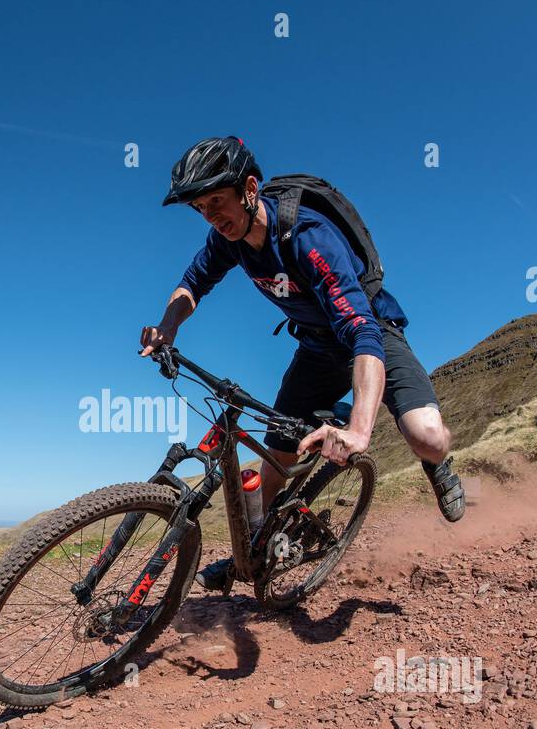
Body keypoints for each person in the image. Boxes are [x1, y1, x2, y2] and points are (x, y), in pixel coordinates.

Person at [140, 135, 465, 591]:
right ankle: (251, 554)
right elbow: (191, 284)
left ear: (249, 189)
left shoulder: (309, 238)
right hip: (316, 348)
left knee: (427, 437)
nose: (212, 216)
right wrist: (167, 326)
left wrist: (359, 432)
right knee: (276, 461)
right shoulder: (227, 241)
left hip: (372, 335)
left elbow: (363, 333)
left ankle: (437, 466)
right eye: (200, 208)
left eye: (217, 201)